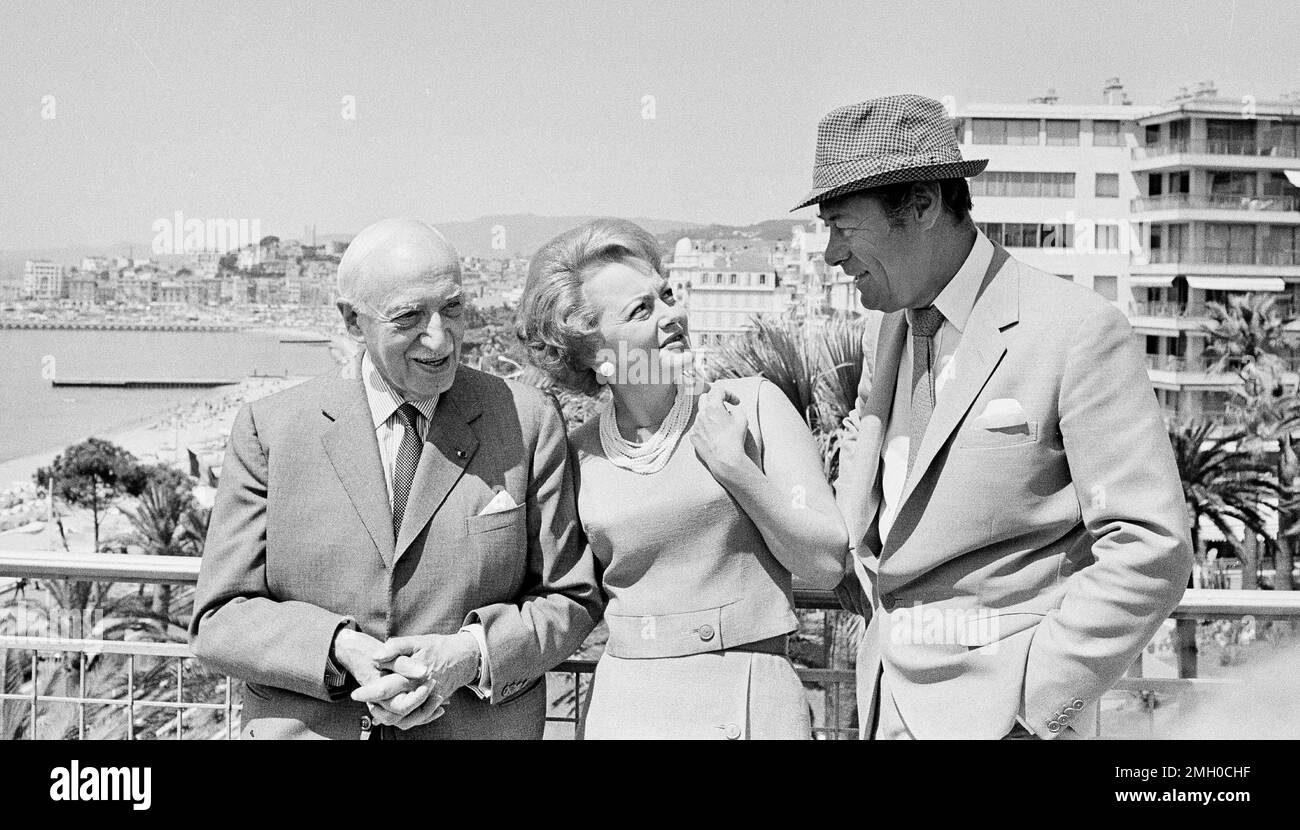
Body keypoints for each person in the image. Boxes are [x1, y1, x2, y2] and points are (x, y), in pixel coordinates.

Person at [792, 95, 1193, 739]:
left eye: (842, 224)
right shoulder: (886, 334)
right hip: (880, 707)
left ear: (921, 206)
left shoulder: (1075, 331)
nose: (831, 253)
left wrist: (1036, 707)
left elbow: (1151, 547)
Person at [191, 218, 601, 739]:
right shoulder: (269, 430)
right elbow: (220, 618)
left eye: (452, 308)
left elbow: (571, 598)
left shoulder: (526, 420)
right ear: (350, 320)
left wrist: (470, 655)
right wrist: (339, 650)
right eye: (408, 317)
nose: (440, 337)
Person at [518, 218, 847, 739]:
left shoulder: (753, 406)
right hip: (628, 710)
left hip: (749, 701)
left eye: (666, 294)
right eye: (643, 310)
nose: (675, 315)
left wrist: (737, 470)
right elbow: (561, 594)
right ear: (595, 353)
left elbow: (826, 563)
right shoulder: (574, 454)